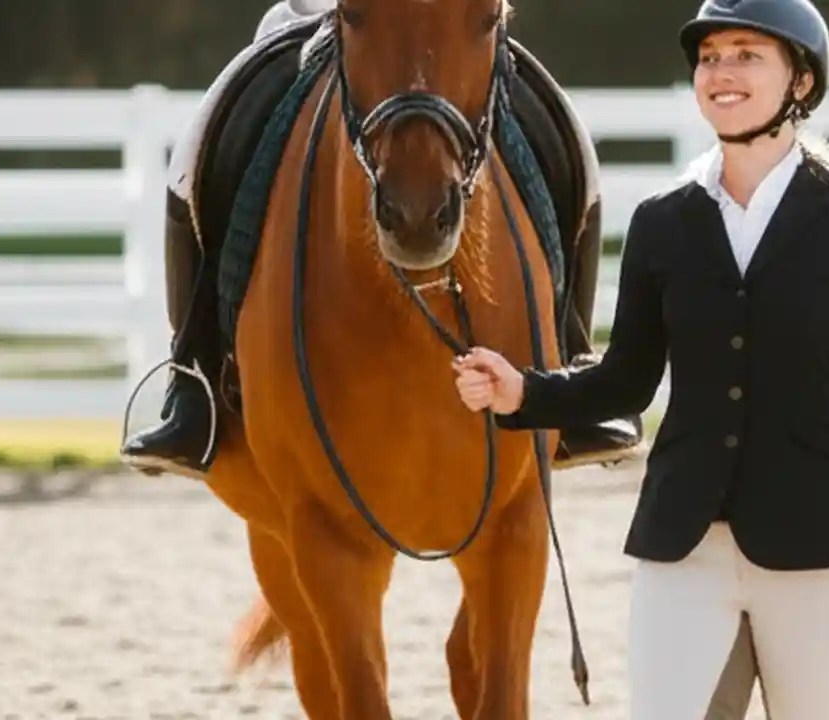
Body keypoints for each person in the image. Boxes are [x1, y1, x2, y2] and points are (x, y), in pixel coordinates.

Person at [452, 0, 829, 717]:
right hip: (682, 547)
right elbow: (629, 377)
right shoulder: (662, 221)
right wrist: (523, 392)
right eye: (710, 57)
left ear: (800, 81)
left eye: (747, 54)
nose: (721, 72)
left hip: (823, 548)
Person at [118, 0, 643, 477]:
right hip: (340, 13)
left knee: (565, 135)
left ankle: (573, 361)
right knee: (204, 138)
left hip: (452, 17)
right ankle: (196, 379)